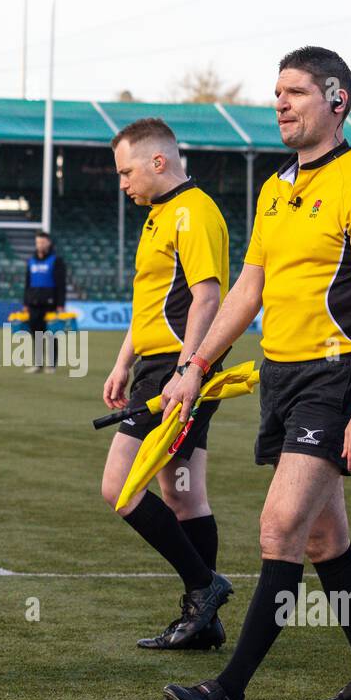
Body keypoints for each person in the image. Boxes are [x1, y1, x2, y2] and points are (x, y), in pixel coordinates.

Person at [159, 47, 351, 700]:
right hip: (281, 377)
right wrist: (196, 366)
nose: (280, 104)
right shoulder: (275, 187)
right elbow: (249, 290)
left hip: (336, 377)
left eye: (294, 92)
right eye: (277, 93)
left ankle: (227, 691)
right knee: (326, 542)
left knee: (280, 526)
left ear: (337, 100)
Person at [101, 117, 234, 650]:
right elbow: (151, 303)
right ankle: (204, 620)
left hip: (176, 370)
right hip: (156, 365)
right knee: (182, 495)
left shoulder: (192, 211)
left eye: (126, 171)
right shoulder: (159, 216)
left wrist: (187, 369)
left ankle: (205, 587)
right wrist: (120, 362)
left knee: (119, 486)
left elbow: (207, 298)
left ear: (159, 161)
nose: (122, 182)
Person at [23, 231, 66, 372]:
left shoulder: (56, 260)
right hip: (33, 304)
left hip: (51, 304)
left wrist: (60, 304)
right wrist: (25, 303)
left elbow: (61, 284)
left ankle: (52, 364)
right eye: (38, 242)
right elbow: (27, 283)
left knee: (51, 334)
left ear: (48, 243)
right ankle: (38, 363)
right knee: (36, 334)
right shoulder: (31, 261)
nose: (40, 245)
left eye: (42, 242)